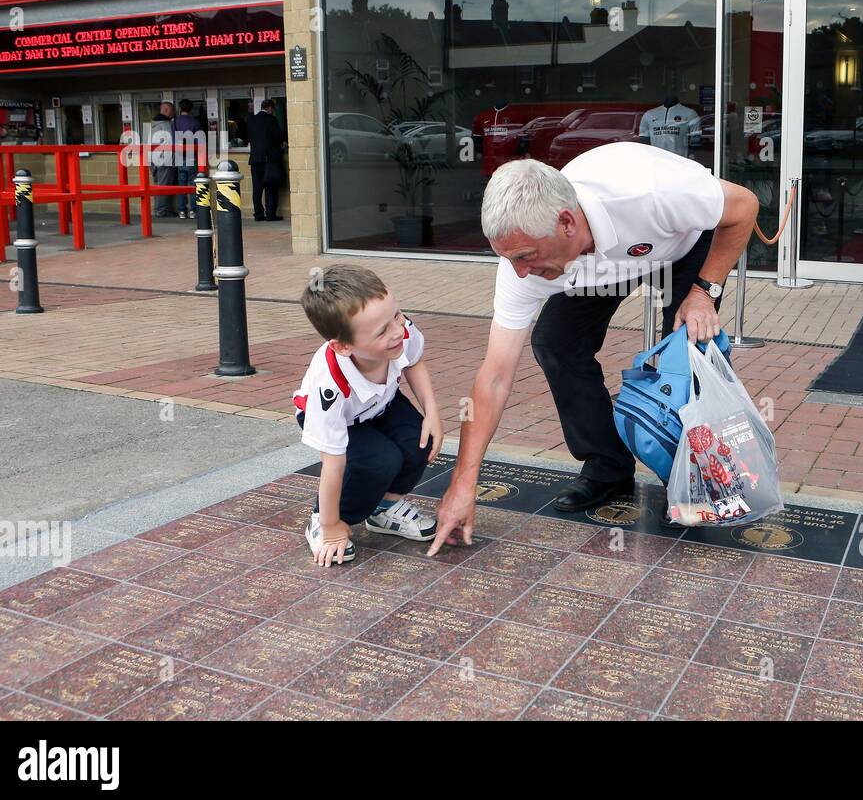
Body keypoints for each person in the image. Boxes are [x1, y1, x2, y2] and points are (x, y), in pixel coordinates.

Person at [425, 144, 759, 553]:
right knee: (555, 342)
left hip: (677, 244)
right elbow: (494, 377)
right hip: (598, 265)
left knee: (685, 354)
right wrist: (462, 483)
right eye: (509, 259)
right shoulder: (524, 266)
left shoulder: (650, 194)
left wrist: (705, 292)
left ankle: (691, 478)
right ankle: (608, 466)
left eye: (526, 257)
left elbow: (744, 206)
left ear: (566, 221)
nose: (520, 273)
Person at [293, 265, 443, 566]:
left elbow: (412, 361)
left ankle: (383, 509)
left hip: (381, 403)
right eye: (383, 331)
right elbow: (333, 464)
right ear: (344, 346)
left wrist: (432, 412)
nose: (398, 331)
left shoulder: (401, 330)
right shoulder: (330, 385)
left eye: (397, 316)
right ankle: (324, 521)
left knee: (419, 442)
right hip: (342, 417)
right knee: (378, 460)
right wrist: (332, 524)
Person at [246, 98, 285, 221]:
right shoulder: (271, 120)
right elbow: (278, 136)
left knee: (257, 189)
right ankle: (270, 214)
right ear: (270, 108)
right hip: (268, 159)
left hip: (255, 159)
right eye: (272, 110)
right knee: (270, 187)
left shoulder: (251, 120)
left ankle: (258, 214)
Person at [172, 99, 204, 220]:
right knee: (192, 185)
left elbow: (173, 139)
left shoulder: (175, 122)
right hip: (192, 156)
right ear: (190, 109)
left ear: (180, 108)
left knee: (182, 186)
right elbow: (199, 139)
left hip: (180, 156)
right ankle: (193, 211)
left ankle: (181, 211)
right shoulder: (195, 122)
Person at [150, 101, 175, 218]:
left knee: (157, 186)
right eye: (172, 110)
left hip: (154, 159)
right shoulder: (166, 125)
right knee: (164, 186)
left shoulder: (153, 124)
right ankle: (161, 211)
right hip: (165, 160)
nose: (174, 113)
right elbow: (171, 143)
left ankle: (160, 209)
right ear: (166, 110)